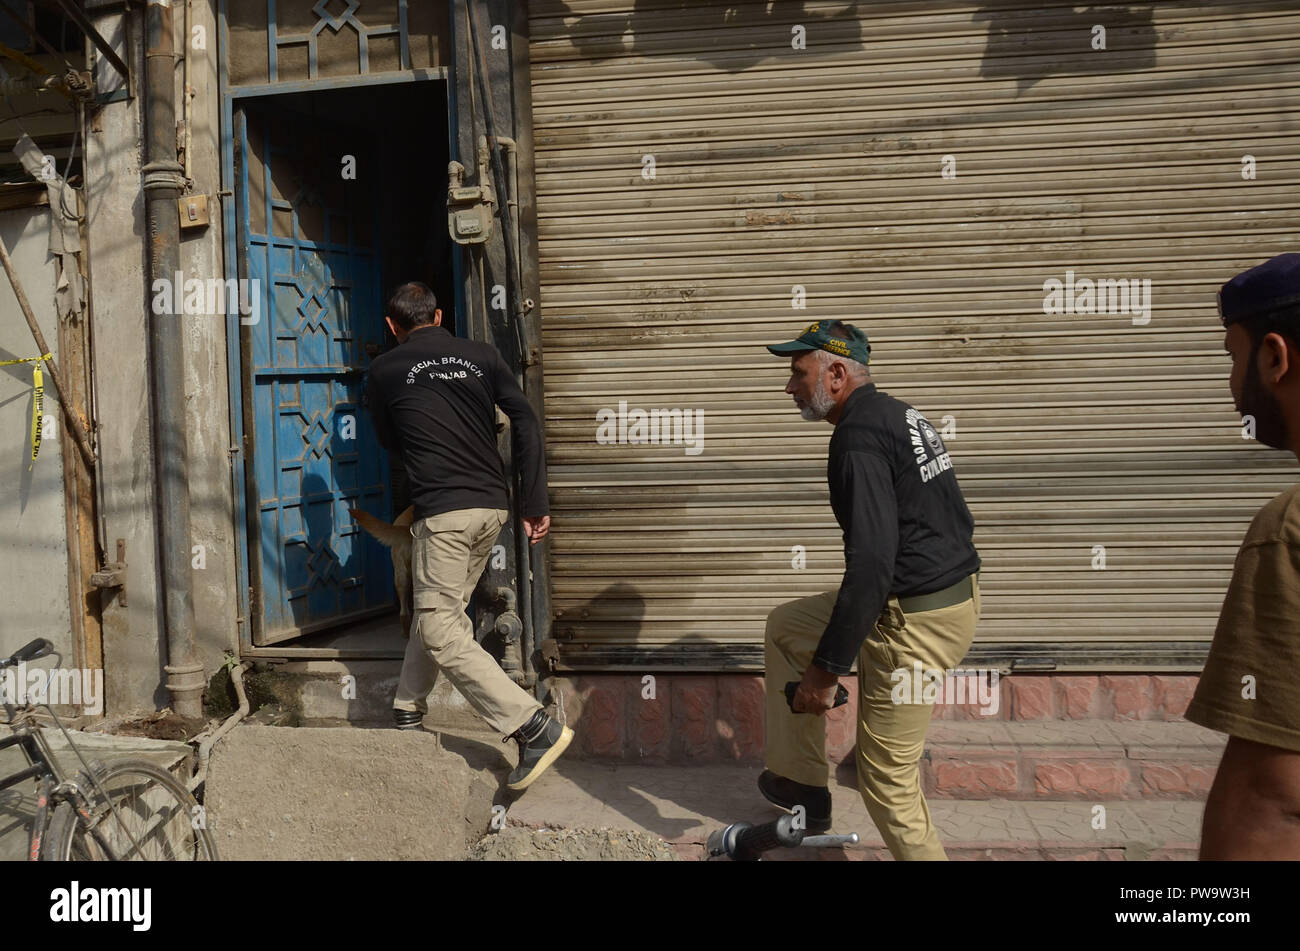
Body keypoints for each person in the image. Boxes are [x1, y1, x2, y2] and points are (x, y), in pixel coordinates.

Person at [762, 319, 981, 860]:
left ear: (835, 373)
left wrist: (825, 670)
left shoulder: (857, 438)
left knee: (886, 783)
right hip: (941, 596)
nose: (789, 387)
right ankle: (806, 790)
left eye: (798, 373)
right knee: (787, 627)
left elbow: (872, 566)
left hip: (913, 619)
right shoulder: (897, 414)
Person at [364, 281, 571, 791]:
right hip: (490, 508)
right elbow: (523, 417)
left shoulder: (385, 370)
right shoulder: (481, 355)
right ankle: (408, 709)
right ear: (438, 317)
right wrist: (534, 499)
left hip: (445, 514)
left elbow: (389, 439)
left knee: (437, 625)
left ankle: (533, 726)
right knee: (445, 610)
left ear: (392, 327)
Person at [1185, 252, 1300, 859]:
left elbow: (1273, 799)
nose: (1233, 386)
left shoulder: (1287, 532)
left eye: (1234, 357)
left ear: (1275, 357)